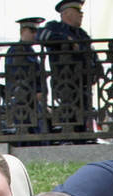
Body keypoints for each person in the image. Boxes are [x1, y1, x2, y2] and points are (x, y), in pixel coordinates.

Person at [38, 0, 99, 140]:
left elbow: (91, 54)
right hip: (65, 84)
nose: (81, 15)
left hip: (83, 84)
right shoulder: (55, 27)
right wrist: (67, 40)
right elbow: (41, 36)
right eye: (77, 12)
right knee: (69, 118)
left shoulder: (82, 34)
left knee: (84, 119)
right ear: (66, 13)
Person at [5, 17, 48, 136]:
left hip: (32, 101)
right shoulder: (16, 50)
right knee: (28, 134)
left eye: (37, 32)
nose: (35, 35)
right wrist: (35, 92)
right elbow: (17, 77)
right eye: (32, 31)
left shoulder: (30, 51)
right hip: (22, 101)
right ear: (22, 31)